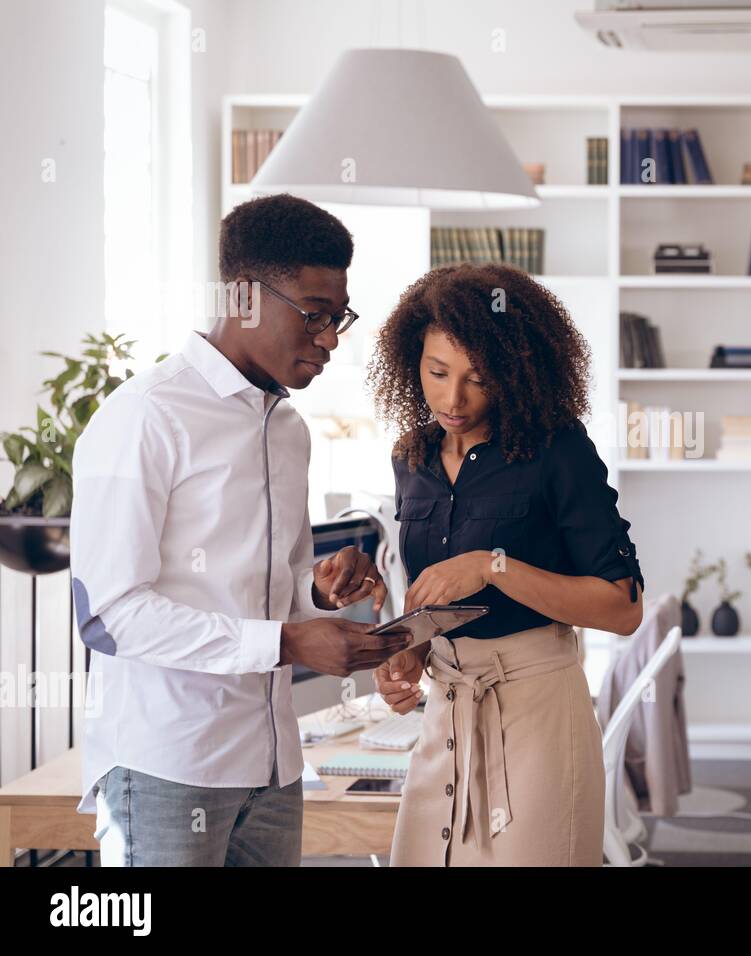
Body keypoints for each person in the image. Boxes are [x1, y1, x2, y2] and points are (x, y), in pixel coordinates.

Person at [71, 194, 408, 866]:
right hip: (168, 767)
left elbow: (278, 585)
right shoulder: (145, 416)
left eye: (338, 317)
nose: (330, 338)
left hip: (273, 764)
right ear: (245, 298)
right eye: (314, 314)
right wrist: (288, 641)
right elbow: (108, 615)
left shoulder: (289, 429)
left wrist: (319, 591)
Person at [368, 263, 645, 866]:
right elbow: (435, 598)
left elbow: (623, 609)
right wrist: (408, 655)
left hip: (536, 720)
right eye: (438, 372)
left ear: (516, 372)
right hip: (444, 720)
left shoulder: (557, 449)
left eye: (478, 378)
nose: (454, 398)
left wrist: (492, 566)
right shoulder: (411, 458)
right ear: (412, 361)